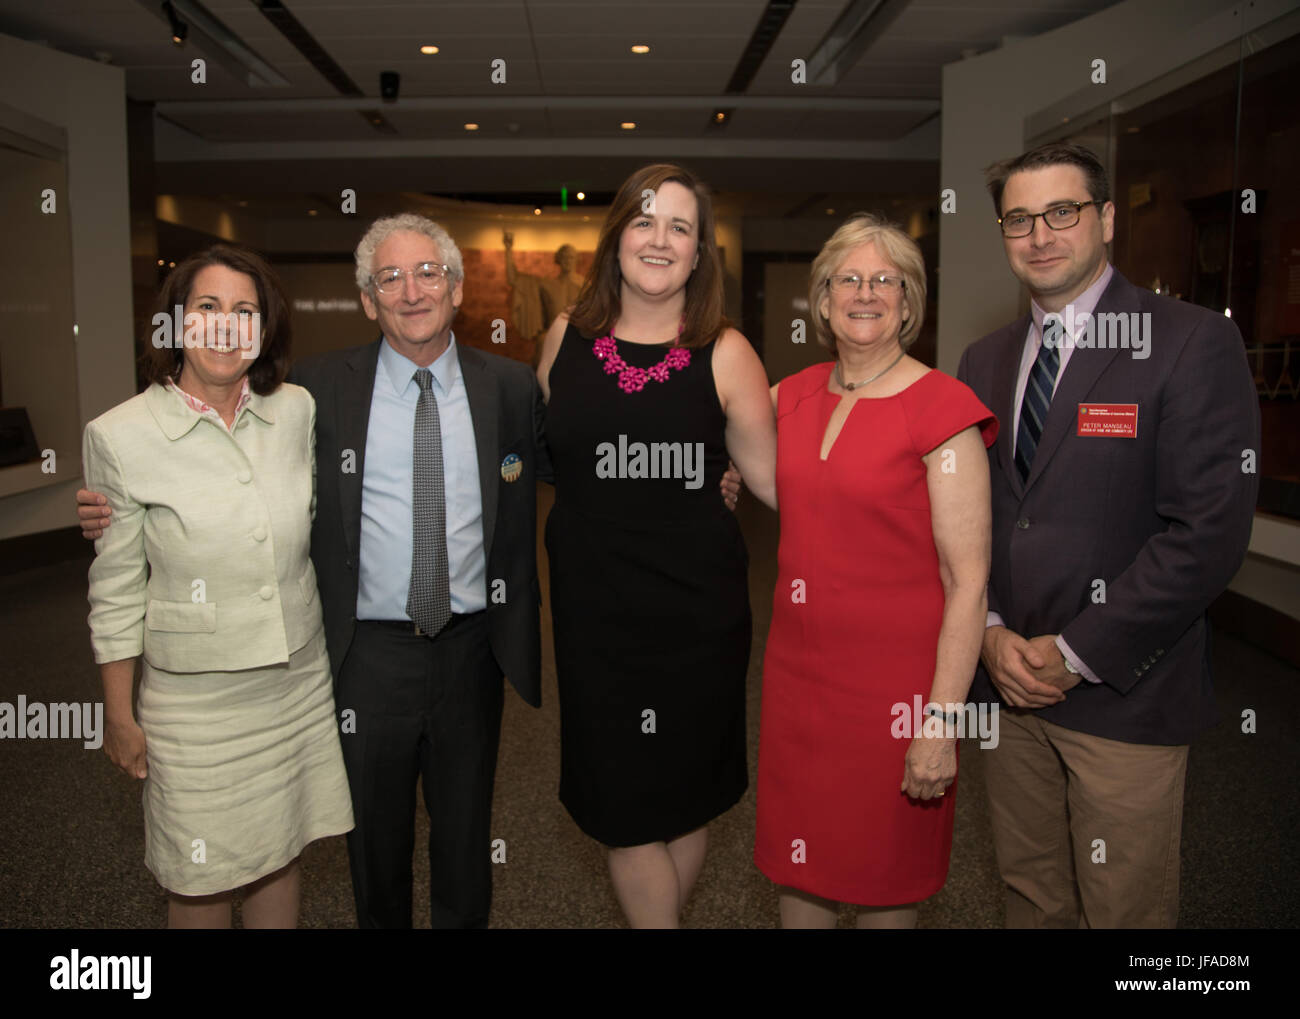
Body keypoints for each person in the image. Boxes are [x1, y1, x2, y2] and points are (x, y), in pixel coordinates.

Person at [81, 214, 547, 929]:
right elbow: (180, 480)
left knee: (464, 840)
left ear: (455, 288)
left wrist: (712, 471)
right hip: (362, 654)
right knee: (371, 844)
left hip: (472, 652)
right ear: (367, 299)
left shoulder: (509, 389)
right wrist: (109, 510)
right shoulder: (316, 392)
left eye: (428, 273)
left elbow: (571, 470)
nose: (410, 290)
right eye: (388, 277)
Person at [956, 142, 1260, 928]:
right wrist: (988, 633)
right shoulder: (983, 360)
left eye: (1063, 212)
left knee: (1127, 910)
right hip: (1007, 687)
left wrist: (1075, 651)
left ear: (1107, 219)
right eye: (1018, 219)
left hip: (1124, 691)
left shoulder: (1189, 341)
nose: (1040, 235)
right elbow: (971, 518)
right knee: (1030, 894)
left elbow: (1205, 534)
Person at [81, 244, 353, 929]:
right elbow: (114, 588)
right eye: (207, 307)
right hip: (196, 706)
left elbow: (312, 526)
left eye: (244, 310)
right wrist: (118, 712)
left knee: (280, 852)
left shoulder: (294, 410)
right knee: (196, 876)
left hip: (293, 681)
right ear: (174, 322)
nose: (225, 325)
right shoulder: (121, 436)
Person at [536, 163, 777, 928]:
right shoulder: (562, 340)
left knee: (684, 795)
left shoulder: (729, 351)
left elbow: (777, 483)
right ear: (617, 238)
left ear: (701, 252)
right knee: (622, 807)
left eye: (681, 226)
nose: (661, 239)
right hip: (595, 616)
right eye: (645, 221)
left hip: (696, 620)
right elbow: (543, 458)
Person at [752, 214, 996, 928]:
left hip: (897, 696)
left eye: (885, 280)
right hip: (799, 687)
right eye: (848, 280)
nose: (866, 293)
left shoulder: (943, 410)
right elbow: (737, 459)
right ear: (822, 301)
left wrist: (940, 723)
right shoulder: (788, 395)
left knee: (887, 880)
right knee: (799, 873)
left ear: (909, 301)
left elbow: (968, 581)